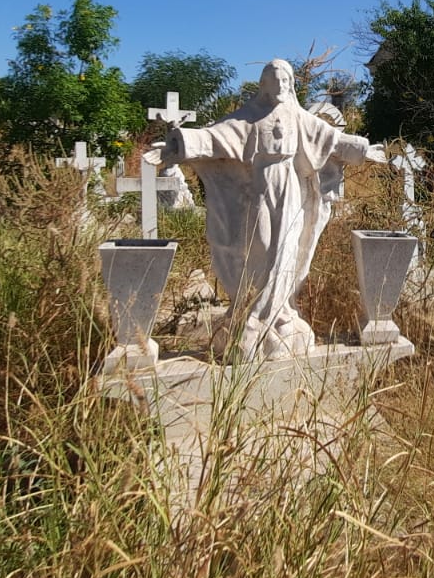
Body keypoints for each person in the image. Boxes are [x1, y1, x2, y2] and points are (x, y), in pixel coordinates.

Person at [147, 59, 385, 360]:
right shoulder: (250, 117)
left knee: (285, 251)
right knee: (259, 245)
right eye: (276, 81)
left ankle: (276, 313)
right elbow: (215, 137)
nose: (281, 86)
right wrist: (176, 147)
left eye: (286, 81)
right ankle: (251, 310)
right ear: (264, 84)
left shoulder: (296, 115)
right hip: (261, 187)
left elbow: (330, 139)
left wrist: (363, 150)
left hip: (290, 190)